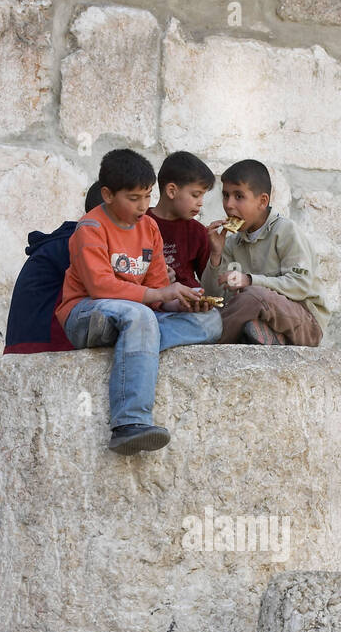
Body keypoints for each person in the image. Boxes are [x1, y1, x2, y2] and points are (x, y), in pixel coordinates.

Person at [56, 148, 222, 455]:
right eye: (134, 198)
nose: (143, 206)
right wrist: (160, 296)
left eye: (147, 196)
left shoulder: (149, 227)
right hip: (87, 314)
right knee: (139, 316)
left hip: (134, 315)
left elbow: (158, 287)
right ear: (107, 194)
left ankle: (134, 346)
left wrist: (181, 302)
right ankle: (129, 424)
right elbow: (100, 285)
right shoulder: (90, 228)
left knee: (210, 322)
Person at [202, 159, 329, 346]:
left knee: (253, 296)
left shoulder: (286, 231)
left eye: (239, 196)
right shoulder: (231, 242)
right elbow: (216, 297)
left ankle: (209, 342)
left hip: (306, 324)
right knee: (242, 304)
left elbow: (300, 285)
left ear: (262, 201)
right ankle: (268, 337)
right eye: (225, 195)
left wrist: (250, 280)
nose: (229, 204)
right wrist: (215, 256)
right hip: (258, 316)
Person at [2, 183, 116, 355]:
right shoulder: (73, 242)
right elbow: (112, 287)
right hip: (40, 349)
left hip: (31, 346)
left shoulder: (71, 240)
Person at [147, 150, 215, 293]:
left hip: (189, 303)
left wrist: (217, 253)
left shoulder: (198, 232)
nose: (200, 203)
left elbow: (212, 287)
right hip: (150, 300)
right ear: (171, 191)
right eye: (195, 195)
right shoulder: (139, 224)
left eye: (202, 196)